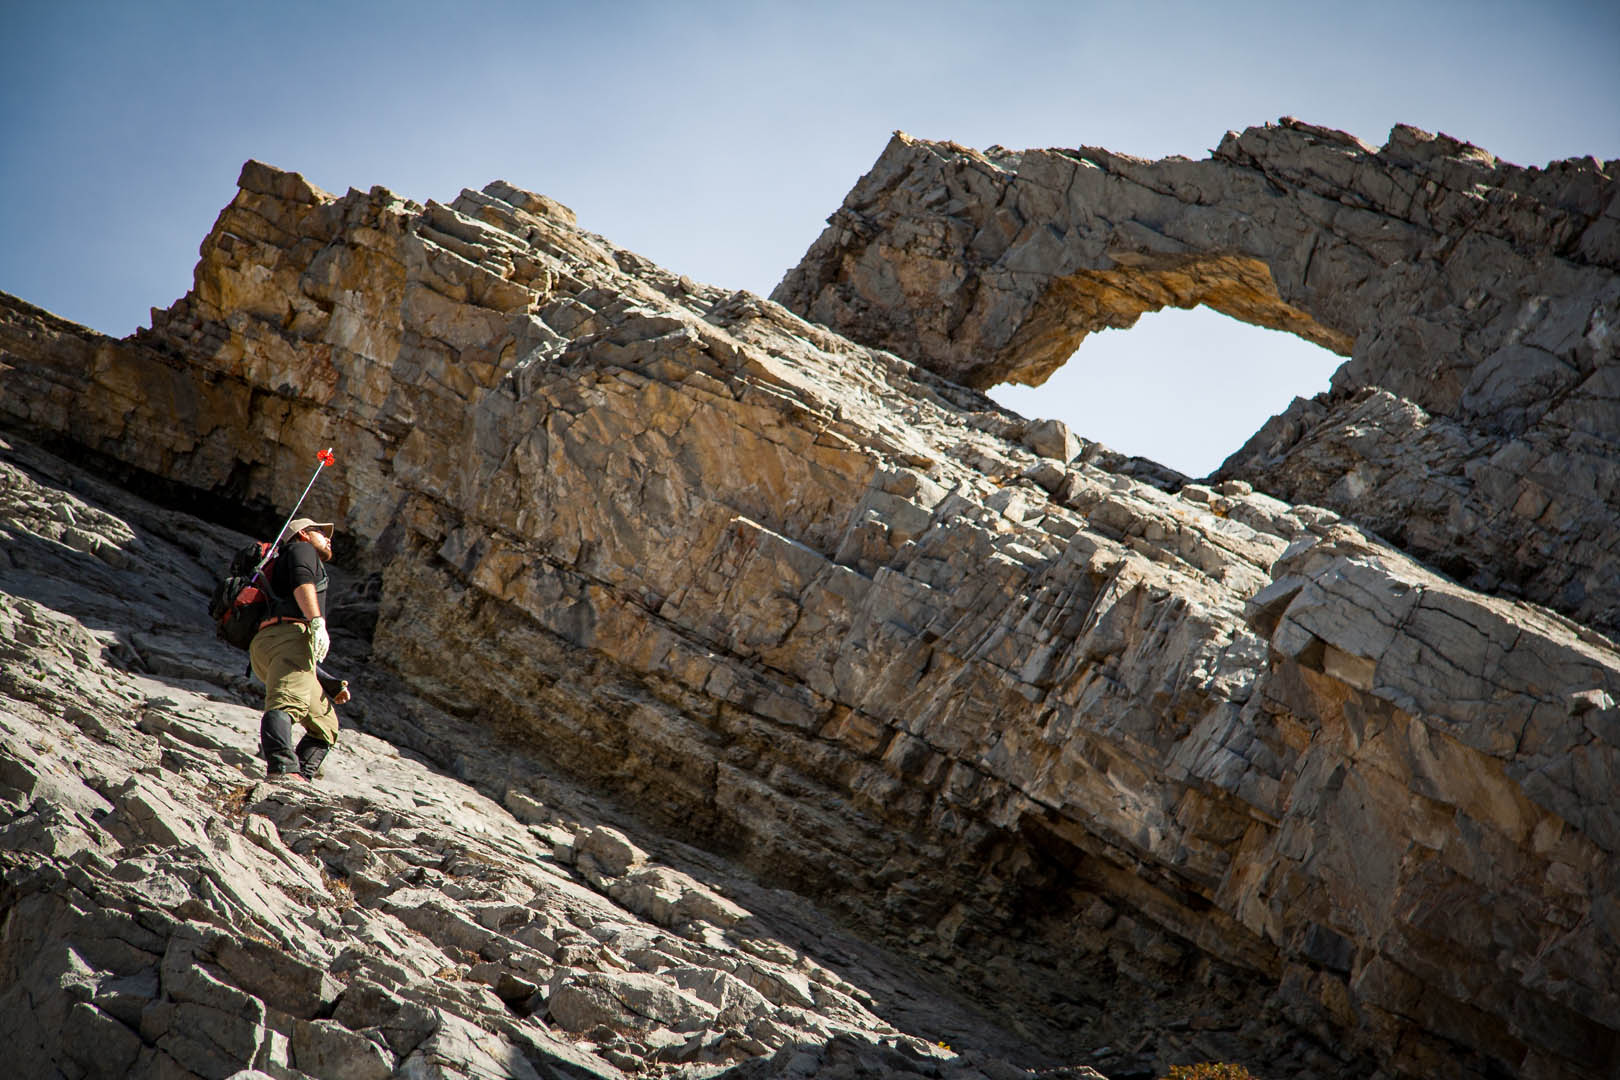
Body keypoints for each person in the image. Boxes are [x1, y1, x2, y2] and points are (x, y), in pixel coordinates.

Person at [249, 517, 352, 781]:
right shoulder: (301, 549)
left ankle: (301, 778)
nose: (328, 538)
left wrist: (327, 681)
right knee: (286, 702)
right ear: (304, 534)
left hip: (275, 643)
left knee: (325, 724)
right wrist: (317, 621)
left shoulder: (285, 559)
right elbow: (302, 581)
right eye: (321, 532)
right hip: (288, 636)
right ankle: (282, 768)